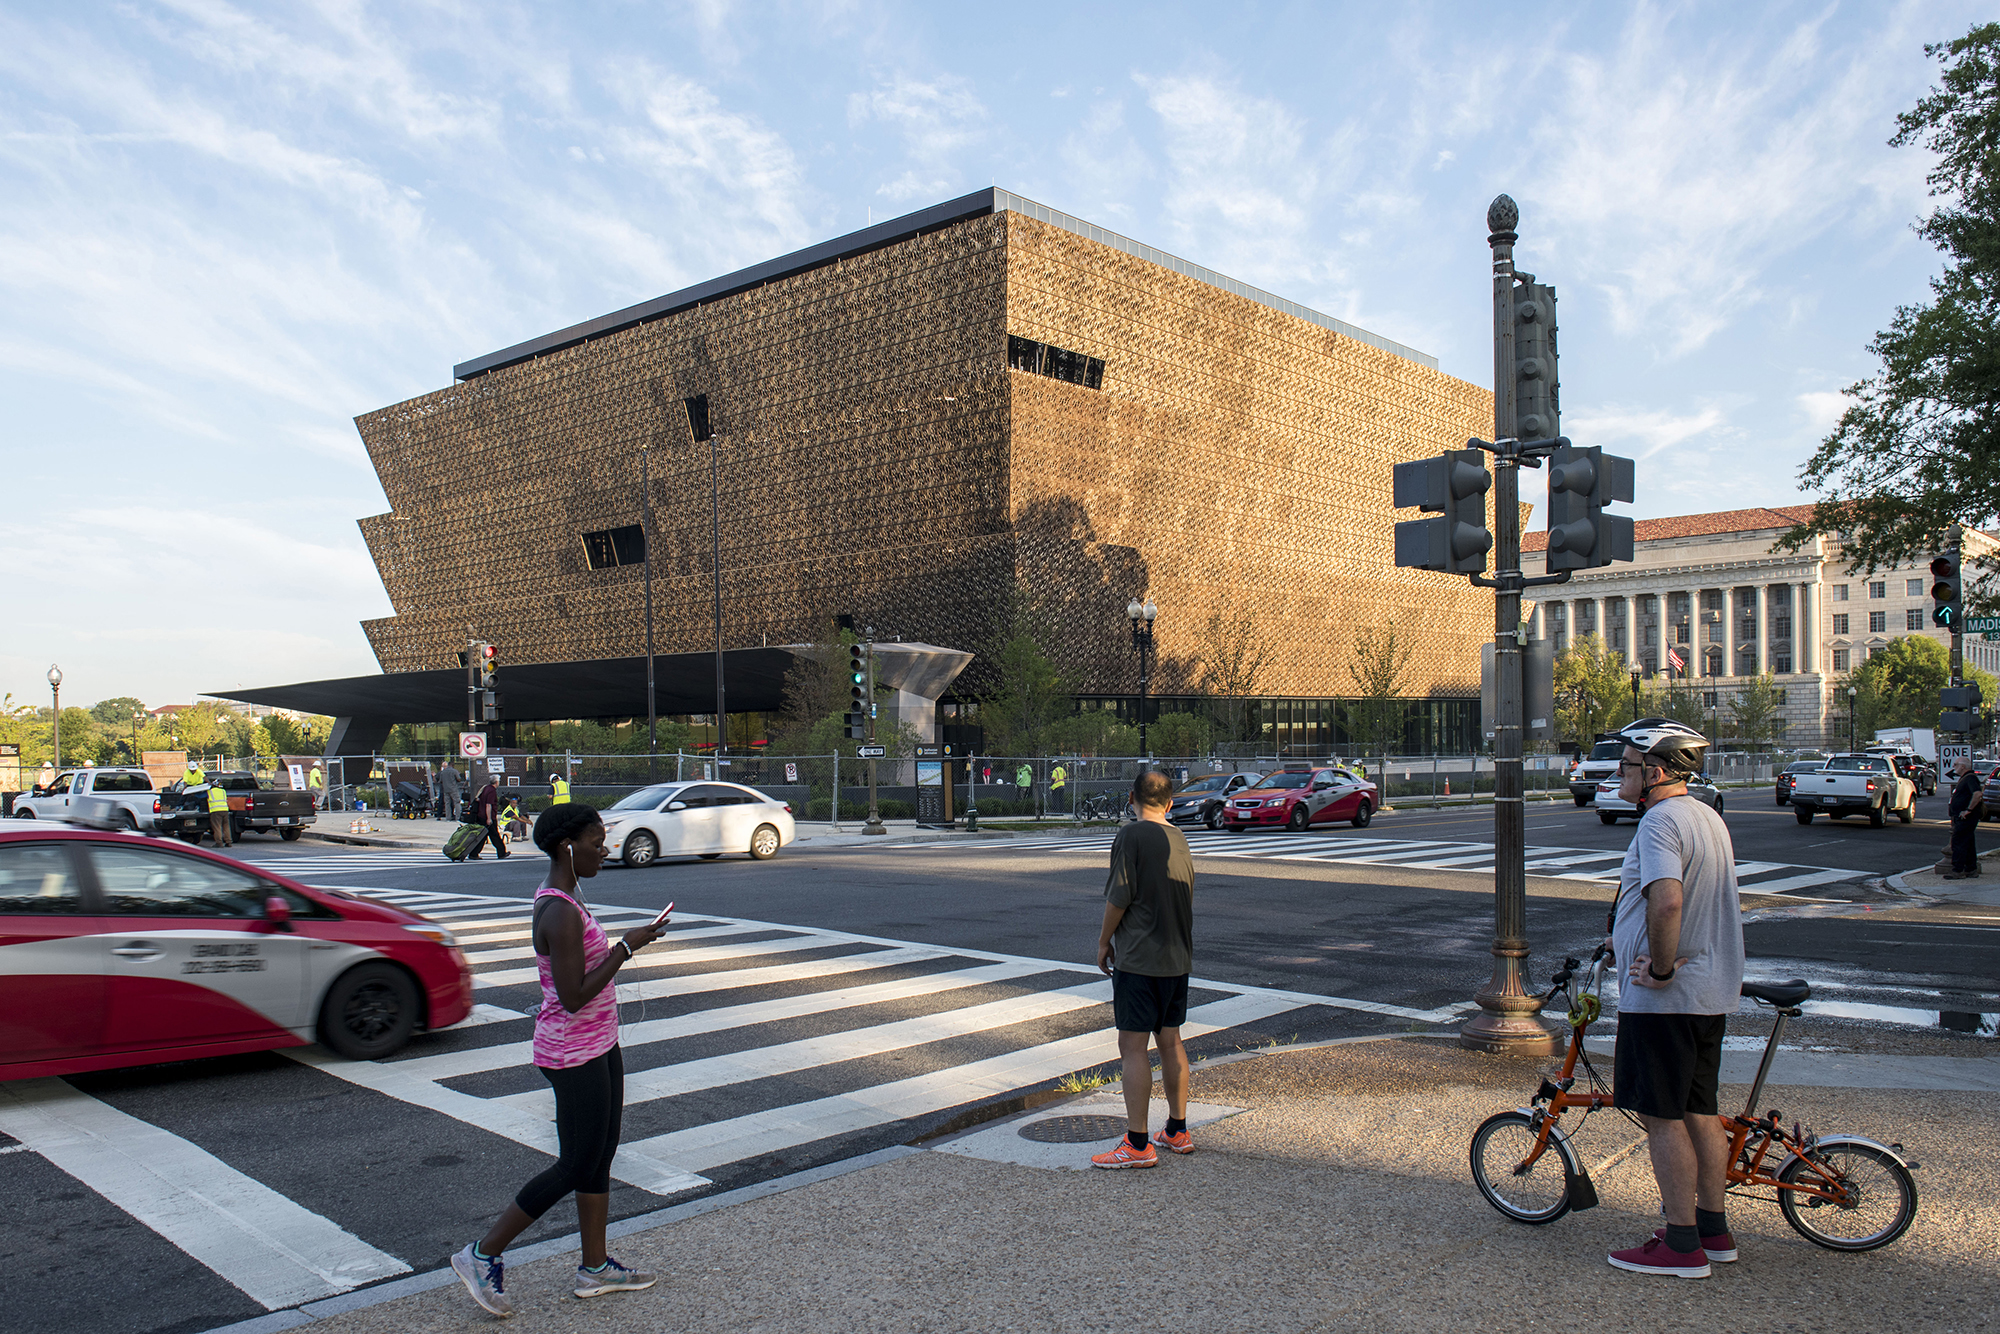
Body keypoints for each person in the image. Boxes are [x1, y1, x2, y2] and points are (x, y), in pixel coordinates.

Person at [451, 804, 667, 1316]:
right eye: (596, 842)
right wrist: (627, 947)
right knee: (575, 1164)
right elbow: (573, 995)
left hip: (598, 1043)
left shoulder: (567, 897)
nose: (605, 849)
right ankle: (481, 1255)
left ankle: (595, 1268)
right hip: (571, 1051)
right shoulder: (560, 911)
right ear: (567, 847)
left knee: (600, 1154)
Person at [1604, 718, 1745, 1279]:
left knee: (1661, 1117)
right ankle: (1713, 1231)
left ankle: (1681, 1245)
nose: (1619, 773)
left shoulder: (1660, 822)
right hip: (1710, 992)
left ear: (1655, 772)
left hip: (1666, 1000)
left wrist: (1659, 969)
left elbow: (1666, 903)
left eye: (1627, 766)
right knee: (1700, 1113)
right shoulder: (1707, 817)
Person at [1090, 769, 1196, 1169]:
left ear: (1131, 799)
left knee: (1132, 1048)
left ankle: (1137, 1143)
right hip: (1176, 958)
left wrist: (1104, 942)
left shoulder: (1130, 836)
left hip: (1140, 958)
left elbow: (1120, 896)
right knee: (1171, 1042)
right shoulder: (1180, 838)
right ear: (1170, 803)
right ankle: (1177, 1129)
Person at [1945, 756, 1983, 878]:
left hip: (1966, 817)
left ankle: (1958, 870)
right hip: (1963, 816)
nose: (1953, 767)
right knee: (1968, 843)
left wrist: (1968, 810)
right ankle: (1970, 869)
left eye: (1955, 764)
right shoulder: (1966, 779)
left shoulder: (1970, 778)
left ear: (1963, 766)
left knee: (1958, 842)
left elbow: (1977, 794)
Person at [468, 777, 508, 860]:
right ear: (496, 782)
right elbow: (488, 805)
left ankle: (474, 853)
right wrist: (489, 818)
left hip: (481, 815)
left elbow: (478, 799)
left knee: (482, 836)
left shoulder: (485, 788)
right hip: (488, 816)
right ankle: (501, 853)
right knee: (494, 836)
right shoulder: (492, 791)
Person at [206, 779, 232, 848]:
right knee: (226, 826)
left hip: (215, 811)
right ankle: (228, 842)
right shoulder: (223, 791)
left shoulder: (210, 791)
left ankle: (219, 843)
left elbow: (201, 796)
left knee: (217, 827)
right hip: (225, 810)